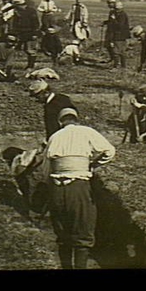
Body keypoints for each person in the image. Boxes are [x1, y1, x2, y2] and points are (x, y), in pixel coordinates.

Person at [42, 107, 115, 269]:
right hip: (79, 186)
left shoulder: (55, 137)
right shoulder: (86, 131)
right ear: (76, 119)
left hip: (57, 189)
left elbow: (45, 169)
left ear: (60, 122)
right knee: (83, 229)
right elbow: (110, 151)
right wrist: (93, 164)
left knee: (63, 233)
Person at [28, 79, 78, 144]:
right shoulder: (64, 98)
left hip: (60, 140)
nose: (36, 99)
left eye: (37, 96)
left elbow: (52, 128)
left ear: (45, 92)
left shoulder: (50, 107)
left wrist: (48, 143)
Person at [12, 0, 40, 70]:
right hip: (21, 32)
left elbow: (36, 24)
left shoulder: (31, 11)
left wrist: (35, 34)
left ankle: (31, 66)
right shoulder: (17, 12)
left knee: (30, 50)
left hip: (30, 32)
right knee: (23, 49)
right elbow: (15, 23)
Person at [102, 0, 130, 69]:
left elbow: (120, 26)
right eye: (116, 8)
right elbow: (112, 22)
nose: (116, 10)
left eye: (117, 9)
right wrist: (105, 22)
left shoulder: (123, 15)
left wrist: (114, 19)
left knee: (117, 51)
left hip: (120, 35)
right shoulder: (115, 13)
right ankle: (121, 66)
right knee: (118, 51)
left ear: (121, 8)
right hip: (116, 34)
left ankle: (118, 66)